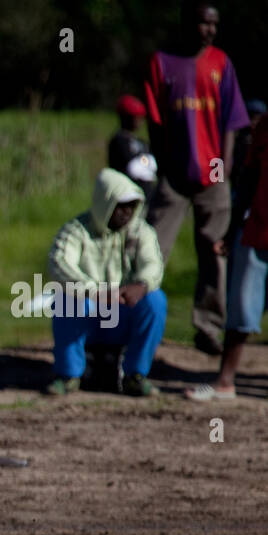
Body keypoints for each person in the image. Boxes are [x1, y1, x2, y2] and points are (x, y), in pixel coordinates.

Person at [144, 3, 250, 356]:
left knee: (214, 250)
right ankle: (139, 321)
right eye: (204, 23)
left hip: (213, 174)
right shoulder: (162, 62)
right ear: (190, 23)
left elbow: (232, 122)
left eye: (214, 24)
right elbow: (155, 121)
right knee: (151, 247)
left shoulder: (222, 64)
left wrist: (222, 171)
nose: (210, 30)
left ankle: (208, 326)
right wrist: (163, 166)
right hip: (174, 174)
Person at [44, 169, 167, 398]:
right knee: (66, 299)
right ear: (105, 203)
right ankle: (68, 375)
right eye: (120, 205)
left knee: (155, 300)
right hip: (87, 315)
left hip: (123, 314)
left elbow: (153, 265)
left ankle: (135, 376)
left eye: (132, 205)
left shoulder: (142, 232)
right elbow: (59, 263)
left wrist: (140, 286)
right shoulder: (76, 231)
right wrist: (96, 292)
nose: (126, 212)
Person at [187, 108, 268, 401]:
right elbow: (249, 178)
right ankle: (225, 381)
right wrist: (231, 229)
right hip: (259, 230)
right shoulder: (264, 127)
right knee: (242, 308)